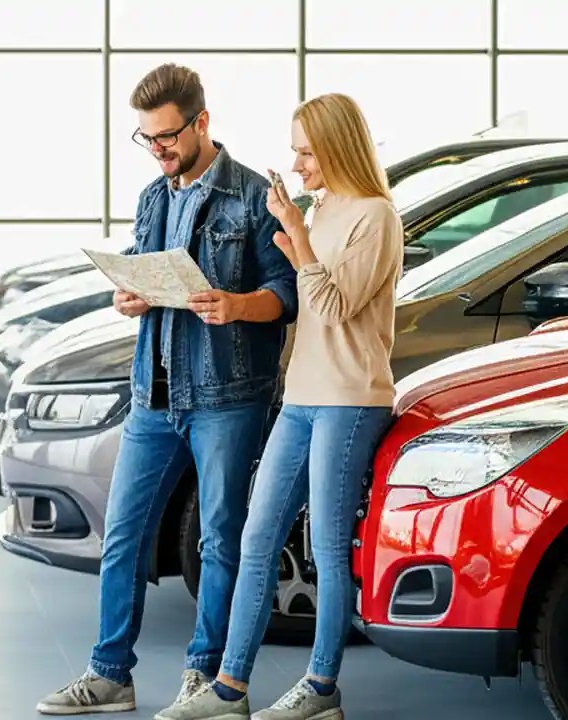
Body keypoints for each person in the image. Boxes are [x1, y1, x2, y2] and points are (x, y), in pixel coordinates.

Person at [36, 63, 298, 716]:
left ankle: (205, 677)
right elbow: (145, 270)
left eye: (167, 137)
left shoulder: (250, 197)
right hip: (153, 396)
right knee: (122, 534)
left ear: (202, 122)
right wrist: (129, 296)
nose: (158, 150)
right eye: (147, 140)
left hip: (228, 396)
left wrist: (239, 306)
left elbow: (287, 296)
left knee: (219, 537)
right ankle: (110, 676)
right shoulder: (155, 197)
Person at [157, 93, 403, 720]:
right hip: (302, 396)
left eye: (305, 152)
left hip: (349, 400)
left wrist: (295, 233)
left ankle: (322, 690)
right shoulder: (321, 210)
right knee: (258, 535)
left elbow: (333, 306)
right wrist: (295, 234)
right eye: (295, 152)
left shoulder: (374, 217)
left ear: (337, 147)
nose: (296, 165)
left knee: (324, 546)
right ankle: (229, 689)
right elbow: (304, 294)